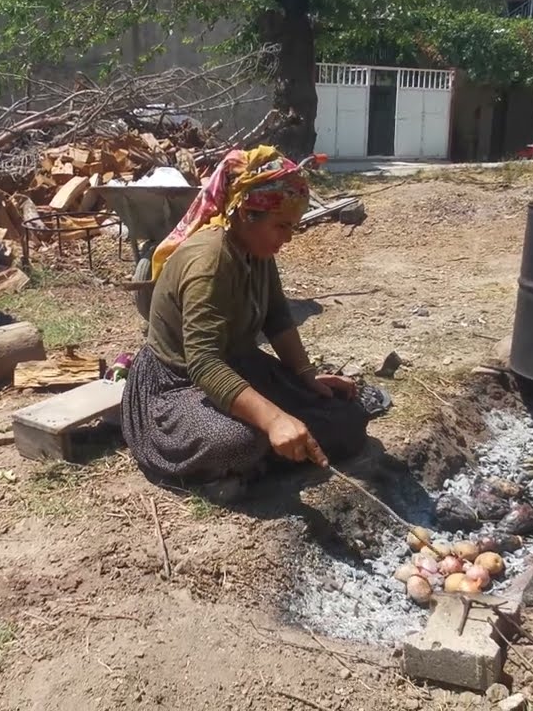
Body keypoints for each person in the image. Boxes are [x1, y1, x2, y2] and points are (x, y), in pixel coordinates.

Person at [121, 146, 370, 500]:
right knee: (240, 441)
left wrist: (305, 376)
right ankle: (240, 460)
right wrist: (273, 419)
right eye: (281, 226)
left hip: (239, 368)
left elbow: (277, 317)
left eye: (292, 228)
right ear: (246, 214)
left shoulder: (256, 252)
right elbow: (204, 364)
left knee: (345, 417)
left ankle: (260, 461)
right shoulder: (209, 263)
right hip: (178, 385)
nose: (286, 238)